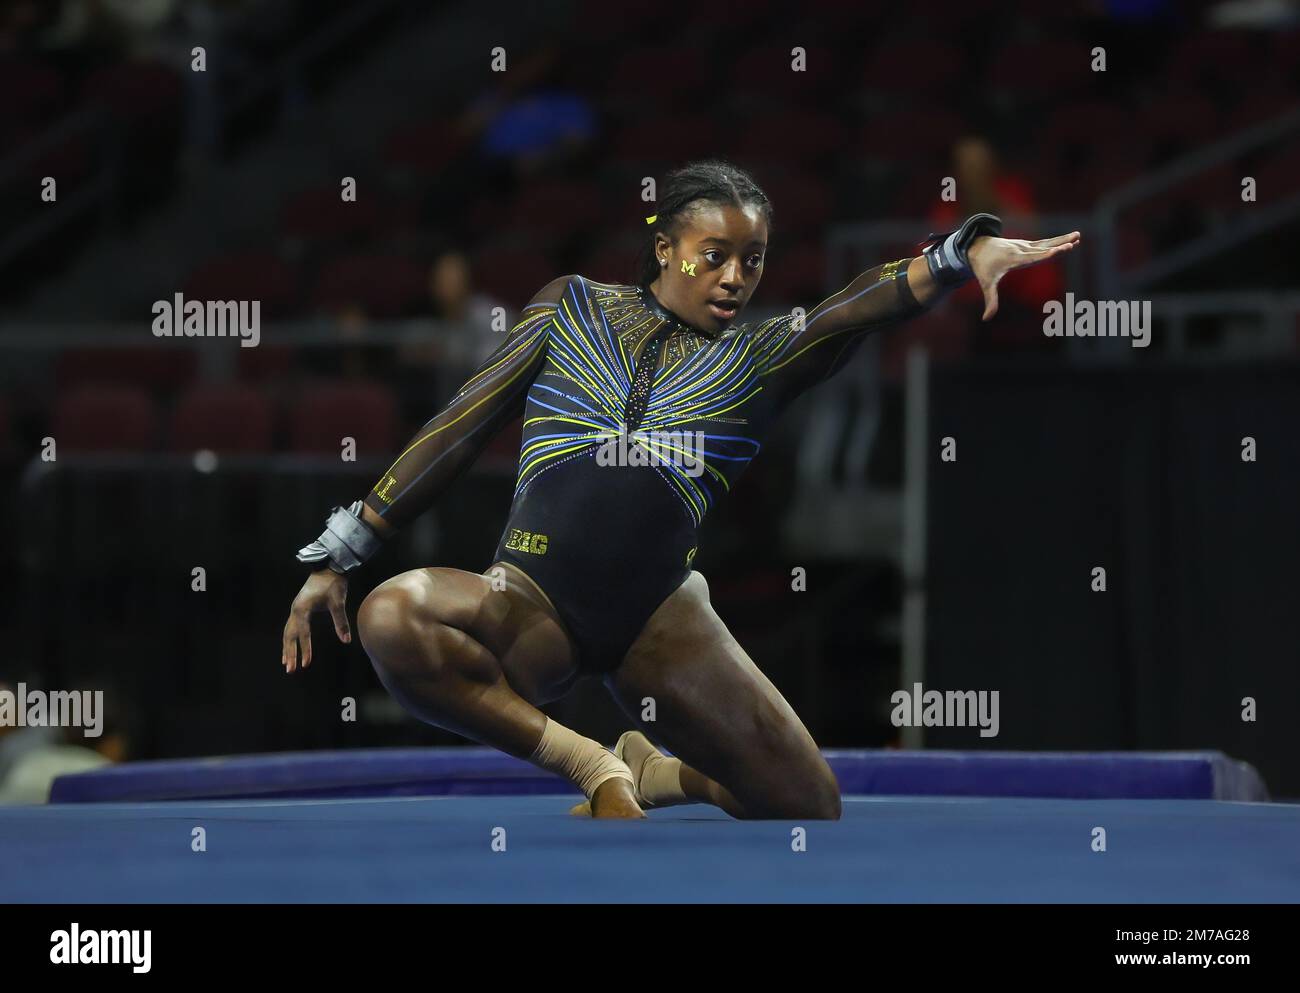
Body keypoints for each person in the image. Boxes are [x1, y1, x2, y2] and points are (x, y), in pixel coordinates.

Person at [283, 160, 1078, 819]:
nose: (735, 277)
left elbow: (849, 310)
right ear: (665, 248)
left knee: (806, 803)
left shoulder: (761, 357)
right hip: (529, 602)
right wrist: (344, 552)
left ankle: (662, 774)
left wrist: (954, 256)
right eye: (715, 254)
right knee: (394, 616)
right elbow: (460, 423)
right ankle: (594, 762)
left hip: (660, 620)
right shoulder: (572, 308)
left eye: (754, 259)